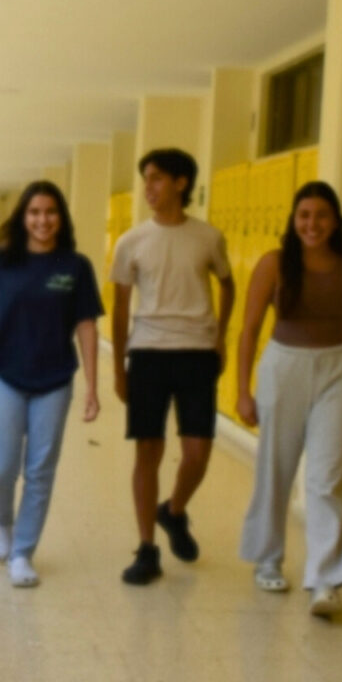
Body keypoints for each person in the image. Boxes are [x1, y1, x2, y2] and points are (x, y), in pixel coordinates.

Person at [235, 180, 342, 619]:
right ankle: (268, 558)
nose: (312, 224)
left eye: (321, 216)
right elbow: (249, 328)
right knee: (276, 467)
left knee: (326, 477)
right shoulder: (275, 264)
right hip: (284, 368)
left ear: (335, 221)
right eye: (304, 216)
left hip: (336, 370)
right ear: (294, 220)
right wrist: (242, 390)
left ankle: (326, 579)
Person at [0, 181, 103, 587]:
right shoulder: (1, 262)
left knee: (40, 469)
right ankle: (1, 520)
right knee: (0, 466)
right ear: (23, 217)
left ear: (62, 218)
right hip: (7, 374)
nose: (43, 220)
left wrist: (93, 388)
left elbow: (87, 327)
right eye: (35, 212)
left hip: (55, 380)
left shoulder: (75, 267)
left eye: (51, 212)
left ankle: (23, 552)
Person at [110, 148, 235, 585]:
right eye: (146, 179)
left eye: (157, 178)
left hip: (198, 353)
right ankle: (147, 547)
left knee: (197, 452)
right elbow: (121, 305)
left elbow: (227, 284)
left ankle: (174, 510)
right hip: (147, 352)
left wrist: (220, 337)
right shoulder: (131, 241)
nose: (149, 187)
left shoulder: (208, 237)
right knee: (148, 450)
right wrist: (119, 367)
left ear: (181, 183)